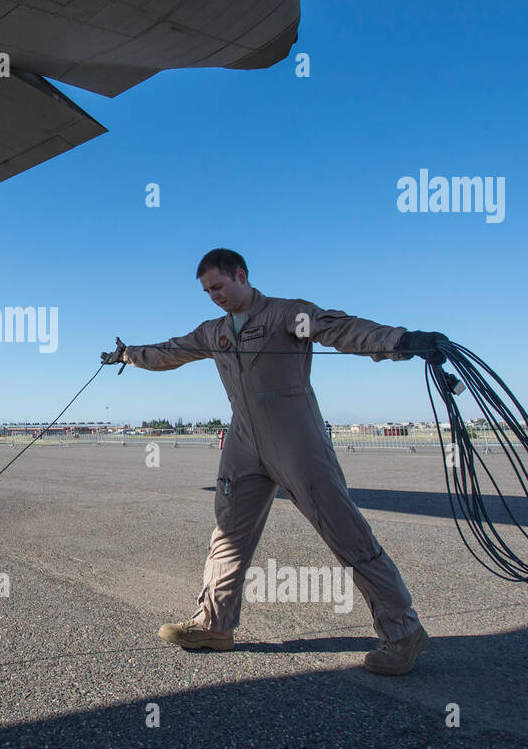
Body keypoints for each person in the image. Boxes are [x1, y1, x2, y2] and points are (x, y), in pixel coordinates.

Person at [100, 248, 447, 675]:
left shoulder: (288, 315)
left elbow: (342, 330)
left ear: (241, 275)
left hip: (296, 439)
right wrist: (128, 355)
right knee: (227, 535)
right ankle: (214, 624)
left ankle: (402, 632)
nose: (214, 296)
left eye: (219, 287)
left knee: (346, 533)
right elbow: (171, 351)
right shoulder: (214, 332)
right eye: (207, 291)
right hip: (243, 440)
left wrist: (399, 341)